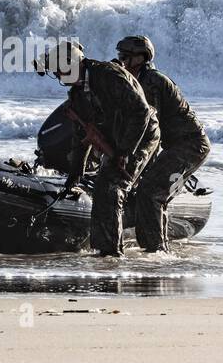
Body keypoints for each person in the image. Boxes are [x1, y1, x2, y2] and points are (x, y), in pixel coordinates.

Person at [34, 40, 158, 257]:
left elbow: (141, 112)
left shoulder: (108, 76)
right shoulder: (77, 95)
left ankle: (111, 253)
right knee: (102, 185)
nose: (59, 77)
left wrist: (125, 151)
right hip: (116, 136)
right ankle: (104, 249)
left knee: (111, 186)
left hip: (141, 134)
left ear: (73, 64)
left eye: (60, 71)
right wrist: (74, 175)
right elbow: (81, 138)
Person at [114, 36, 211, 252]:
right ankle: (157, 245)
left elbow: (150, 128)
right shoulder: (136, 80)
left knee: (151, 190)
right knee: (151, 187)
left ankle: (155, 251)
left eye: (125, 57)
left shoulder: (151, 82)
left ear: (142, 58)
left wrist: (136, 167)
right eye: (120, 56)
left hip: (190, 144)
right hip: (176, 145)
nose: (121, 62)